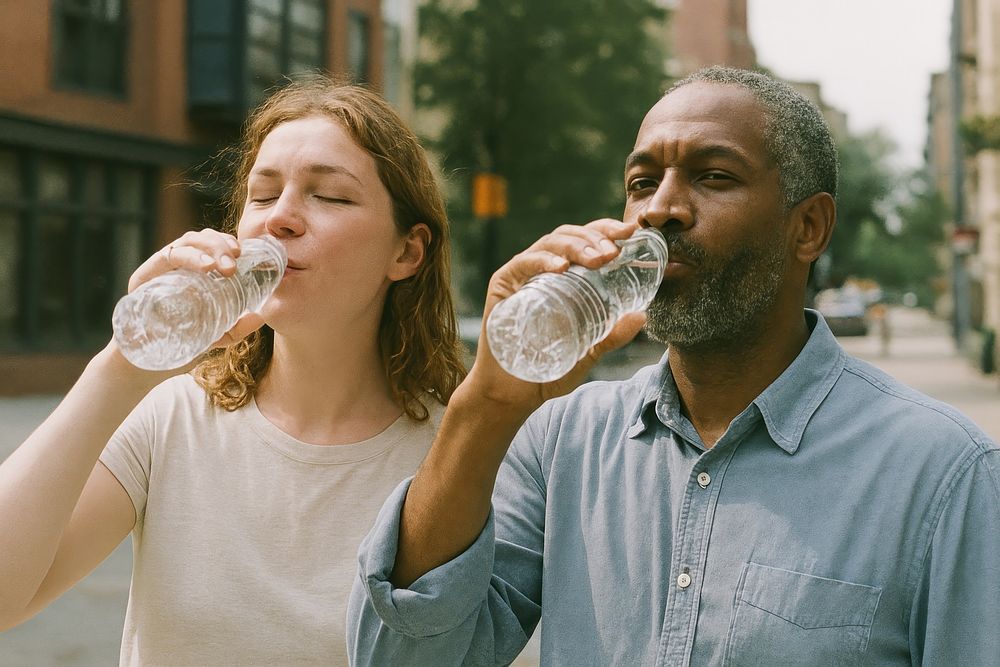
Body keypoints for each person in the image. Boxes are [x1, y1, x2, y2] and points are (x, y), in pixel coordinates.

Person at [348, 66, 1000, 665]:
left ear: (808, 227)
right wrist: (485, 405)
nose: (660, 207)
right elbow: (398, 656)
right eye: (641, 182)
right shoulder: (559, 441)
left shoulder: (943, 471)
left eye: (713, 176)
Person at [0, 76, 466, 665]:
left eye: (331, 197)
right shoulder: (172, 420)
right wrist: (123, 364)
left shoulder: (455, 454)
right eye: (263, 195)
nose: (282, 219)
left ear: (407, 252)